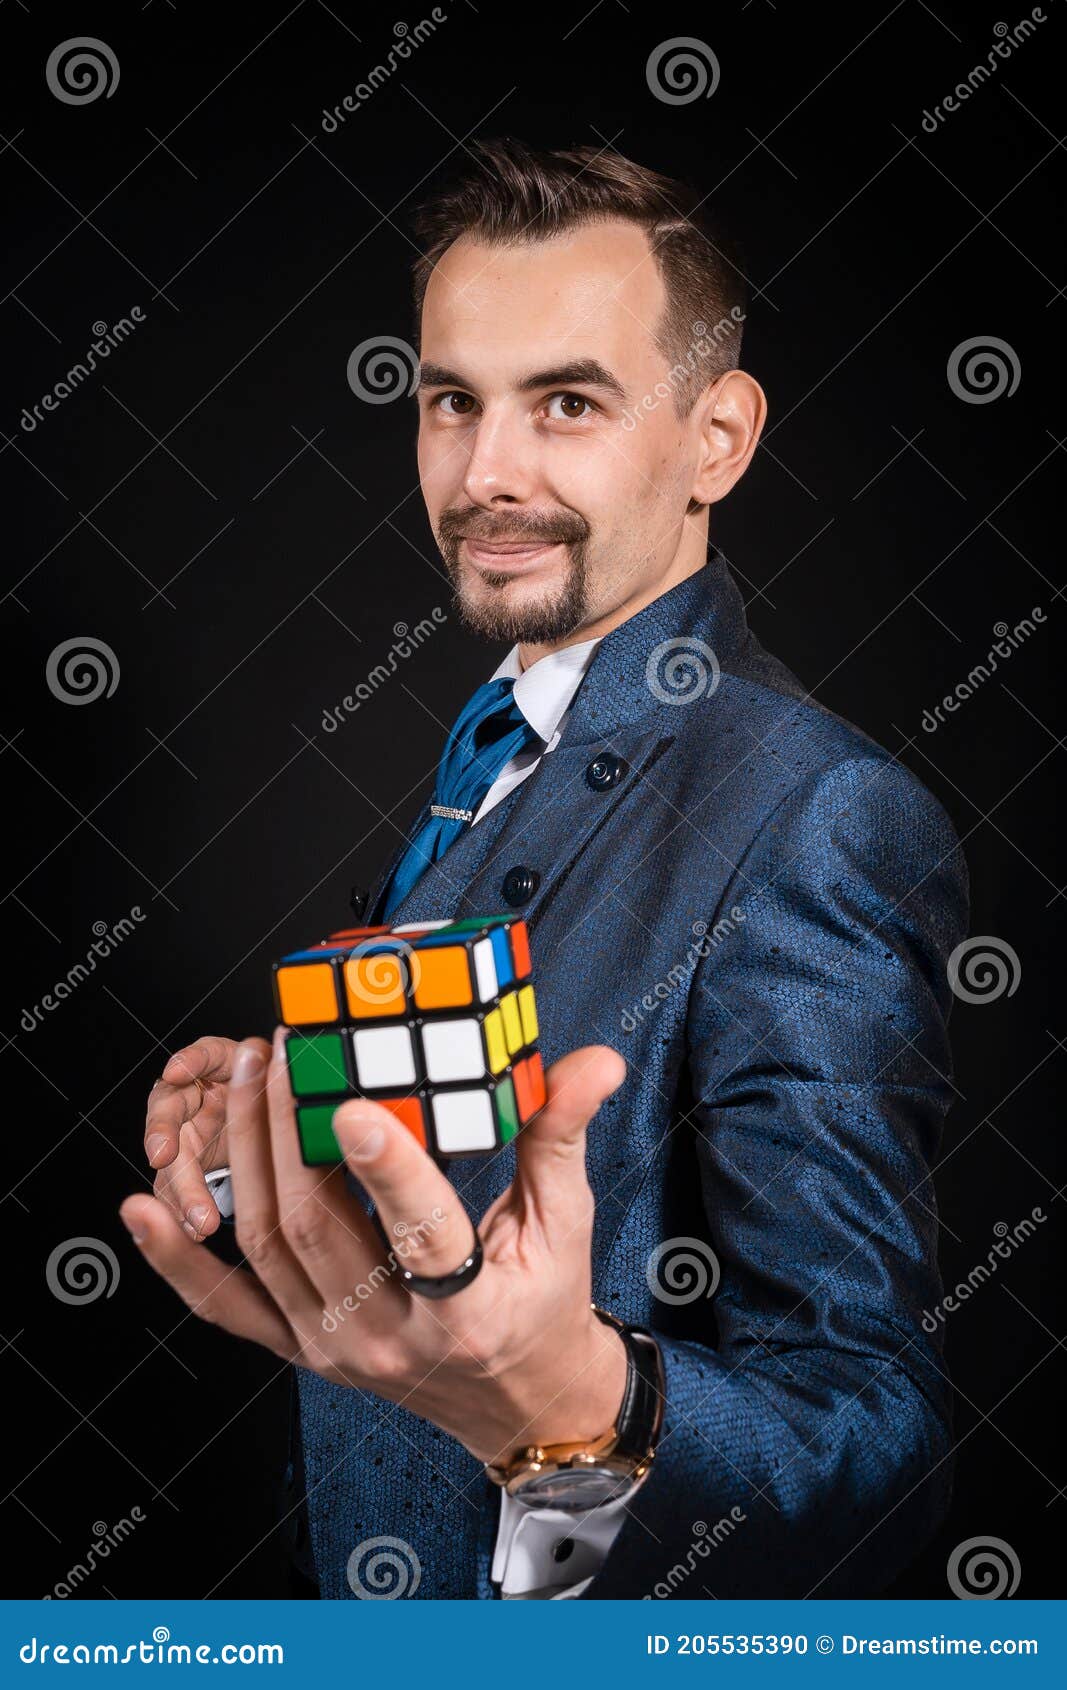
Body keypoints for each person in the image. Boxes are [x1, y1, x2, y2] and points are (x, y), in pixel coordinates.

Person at [122, 138, 969, 1600]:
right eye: (453, 400)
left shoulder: (817, 810)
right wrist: (273, 1128)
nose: (486, 472)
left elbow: (874, 1441)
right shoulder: (501, 748)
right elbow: (463, 1205)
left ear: (717, 437)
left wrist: (589, 1396)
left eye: (566, 402)